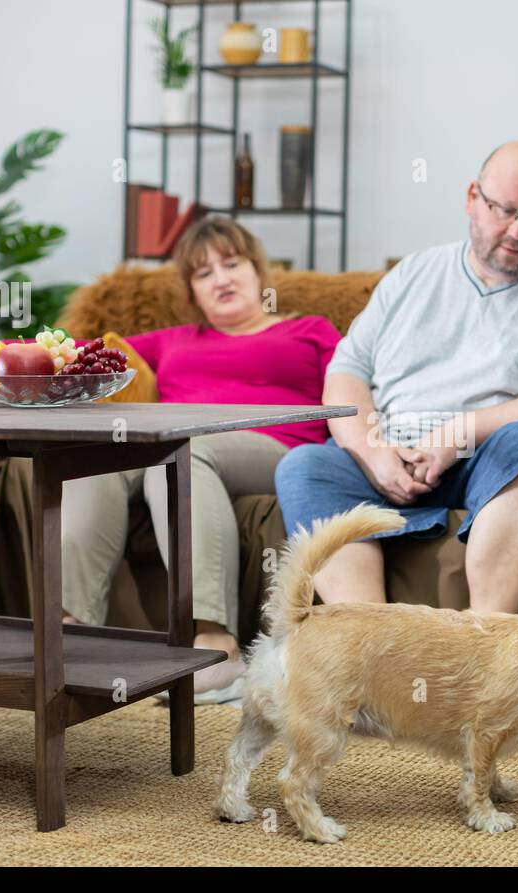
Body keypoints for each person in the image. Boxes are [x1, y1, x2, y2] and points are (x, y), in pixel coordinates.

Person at [273, 140, 518, 614]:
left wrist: (458, 432)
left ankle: (485, 644)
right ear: (472, 198)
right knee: (304, 466)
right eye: (505, 210)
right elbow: (347, 373)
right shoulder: (412, 274)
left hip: (492, 459)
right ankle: (367, 645)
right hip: (390, 452)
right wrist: (374, 453)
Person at [59, 217, 341, 703]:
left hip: (274, 446)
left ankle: (218, 646)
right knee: (96, 456)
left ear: (258, 272)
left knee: (183, 450)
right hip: (171, 443)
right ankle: (72, 632)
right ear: (192, 290)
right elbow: (79, 357)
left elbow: (355, 384)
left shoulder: (310, 331)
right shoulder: (172, 341)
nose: (222, 279)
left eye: (232, 264)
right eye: (204, 273)